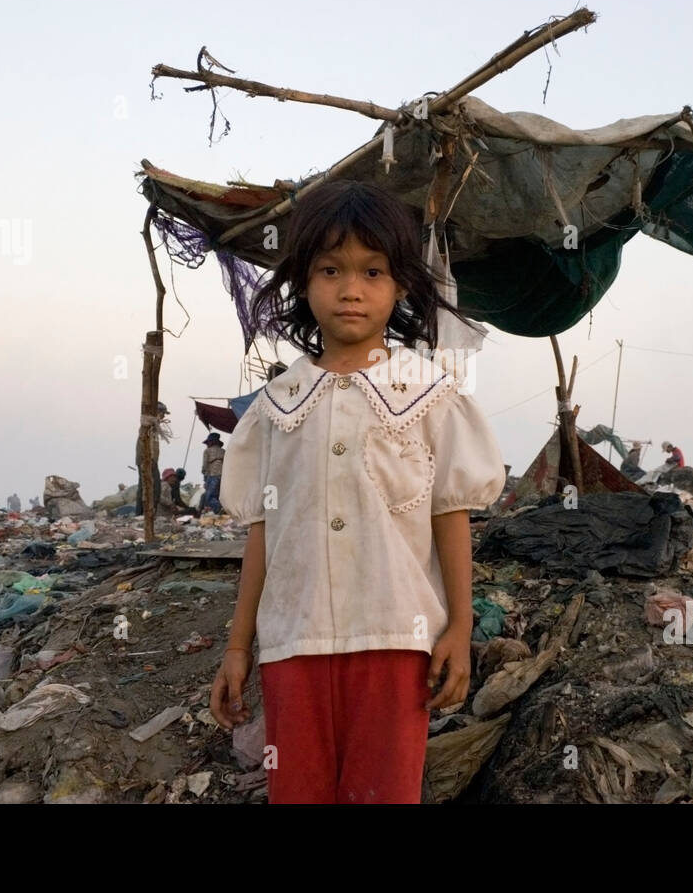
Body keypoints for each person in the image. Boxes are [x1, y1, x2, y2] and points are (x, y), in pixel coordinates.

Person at [210, 179, 505, 804]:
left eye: (373, 271)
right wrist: (239, 646)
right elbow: (263, 533)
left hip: (398, 638)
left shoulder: (428, 395)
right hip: (292, 641)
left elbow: (449, 512)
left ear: (399, 284)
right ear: (303, 281)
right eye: (330, 269)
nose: (351, 288)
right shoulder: (274, 409)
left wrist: (458, 627)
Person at [135, 401, 172, 515]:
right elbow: (144, 445)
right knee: (150, 487)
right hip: (146, 460)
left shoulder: (153, 428)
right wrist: (148, 460)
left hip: (151, 460)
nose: (163, 417)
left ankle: (144, 514)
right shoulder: (148, 426)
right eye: (162, 413)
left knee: (148, 487)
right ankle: (143, 514)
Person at [201, 433, 225, 514]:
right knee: (219, 496)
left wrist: (205, 478)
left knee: (209, 497)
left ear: (211, 442)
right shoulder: (224, 451)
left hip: (213, 475)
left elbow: (205, 466)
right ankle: (220, 511)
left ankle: (221, 508)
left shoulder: (207, 451)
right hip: (224, 477)